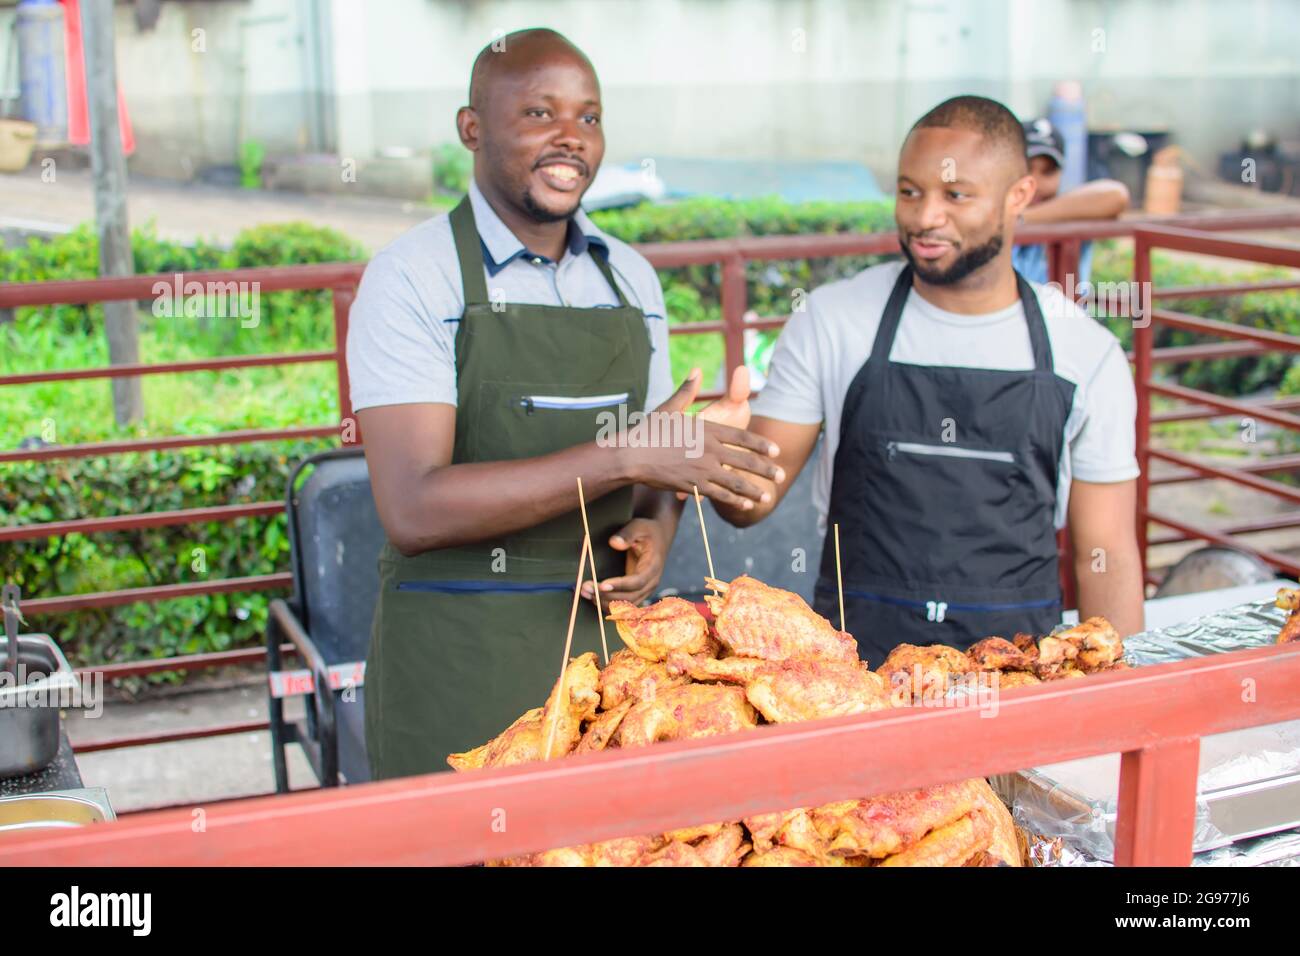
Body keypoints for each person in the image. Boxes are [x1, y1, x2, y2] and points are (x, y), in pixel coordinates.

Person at [346, 29, 782, 778]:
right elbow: (413, 510)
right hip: (459, 664)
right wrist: (625, 455)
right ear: (471, 128)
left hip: (608, 659)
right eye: (540, 114)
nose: (571, 140)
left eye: (589, 117)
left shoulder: (630, 279)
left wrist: (657, 522)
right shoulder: (411, 280)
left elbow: (655, 453)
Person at [713, 95, 1144, 665]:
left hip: (1020, 674)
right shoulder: (833, 319)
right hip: (852, 675)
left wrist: (1122, 697)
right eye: (909, 191)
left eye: (955, 195)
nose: (924, 217)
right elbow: (751, 503)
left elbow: (1107, 552)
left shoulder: (1084, 351)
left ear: (1019, 197)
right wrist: (715, 454)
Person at [1012, 117, 1130, 295]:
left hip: (1062, 319)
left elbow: (1116, 195)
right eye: (1027, 168)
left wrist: (1022, 218)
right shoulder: (990, 217)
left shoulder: (1071, 210)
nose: (1036, 182)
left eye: (1048, 171)